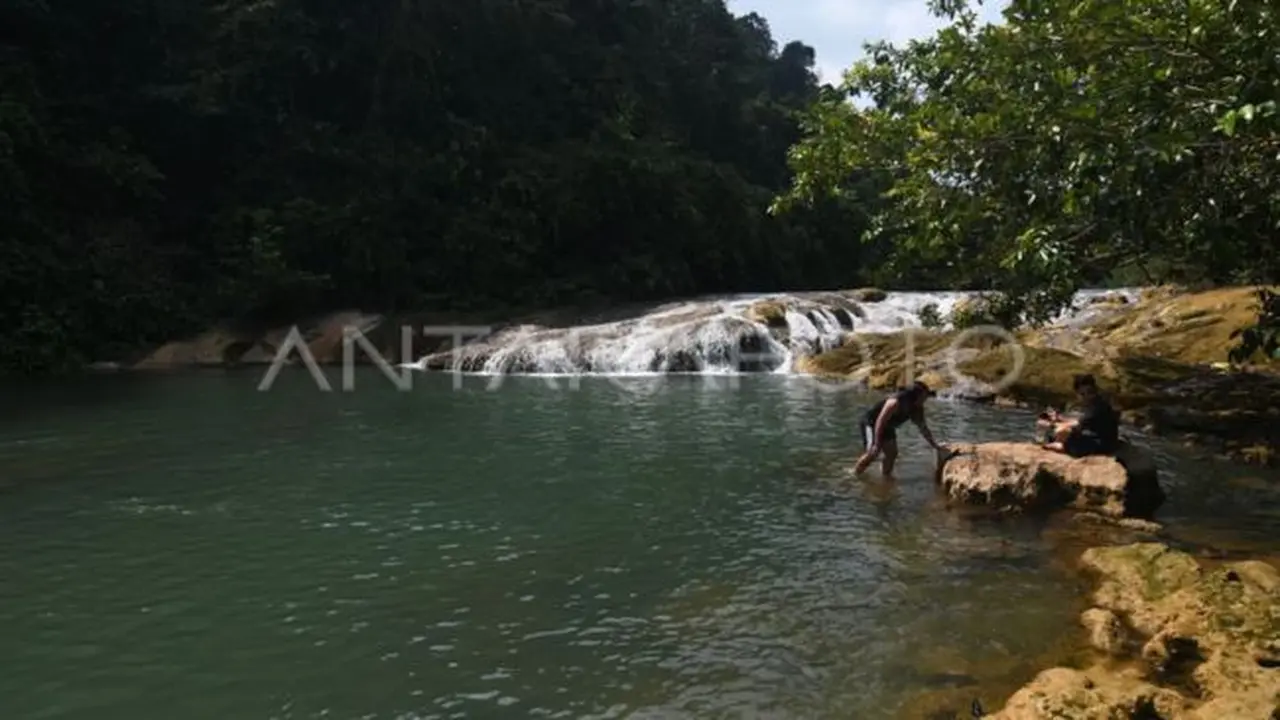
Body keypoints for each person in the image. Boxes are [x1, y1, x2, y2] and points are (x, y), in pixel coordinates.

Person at [853, 380, 946, 478]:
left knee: (892, 453)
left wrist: (934, 445)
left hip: (888, 426)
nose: (925, 400)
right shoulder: (895, 402)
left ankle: (886, 476)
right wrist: (876, 443)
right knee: (873, 452)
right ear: (916, 395)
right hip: (872, 423)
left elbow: (923, 428)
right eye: (924, 397)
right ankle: (856, 474)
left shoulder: (917, 409)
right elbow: (880, 421)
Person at [1040, 373, 1120, 457]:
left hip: (1102, 444)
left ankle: (1058, 446)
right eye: (1082, 394)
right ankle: (1058, 444)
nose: (1087, 397)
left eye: (1090, 392)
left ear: (1095, 390)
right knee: (1063, 433)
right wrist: (1059, 419)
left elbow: (1077, 425)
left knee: (1061, 432)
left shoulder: (1098, 406)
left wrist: (1053, 424)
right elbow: (1082, 421)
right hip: (1097, 437)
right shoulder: (1094, 404)